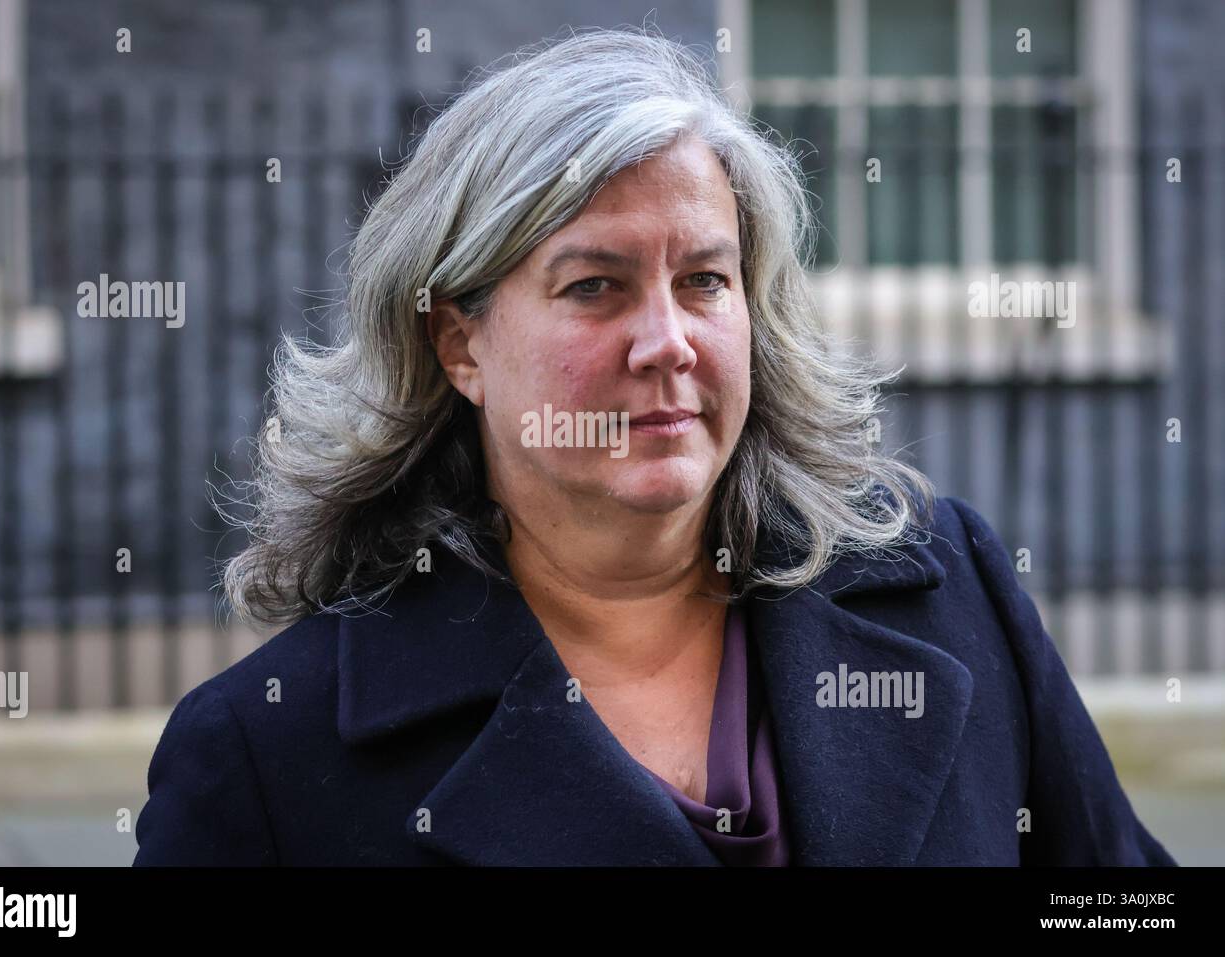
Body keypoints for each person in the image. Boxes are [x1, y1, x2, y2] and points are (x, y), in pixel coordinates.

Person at [133, 27, 1175, 867]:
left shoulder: (948, 593)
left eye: (704, 281)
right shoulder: (271, 751)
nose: (667, 342)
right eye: (596, 286)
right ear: (459, 343)